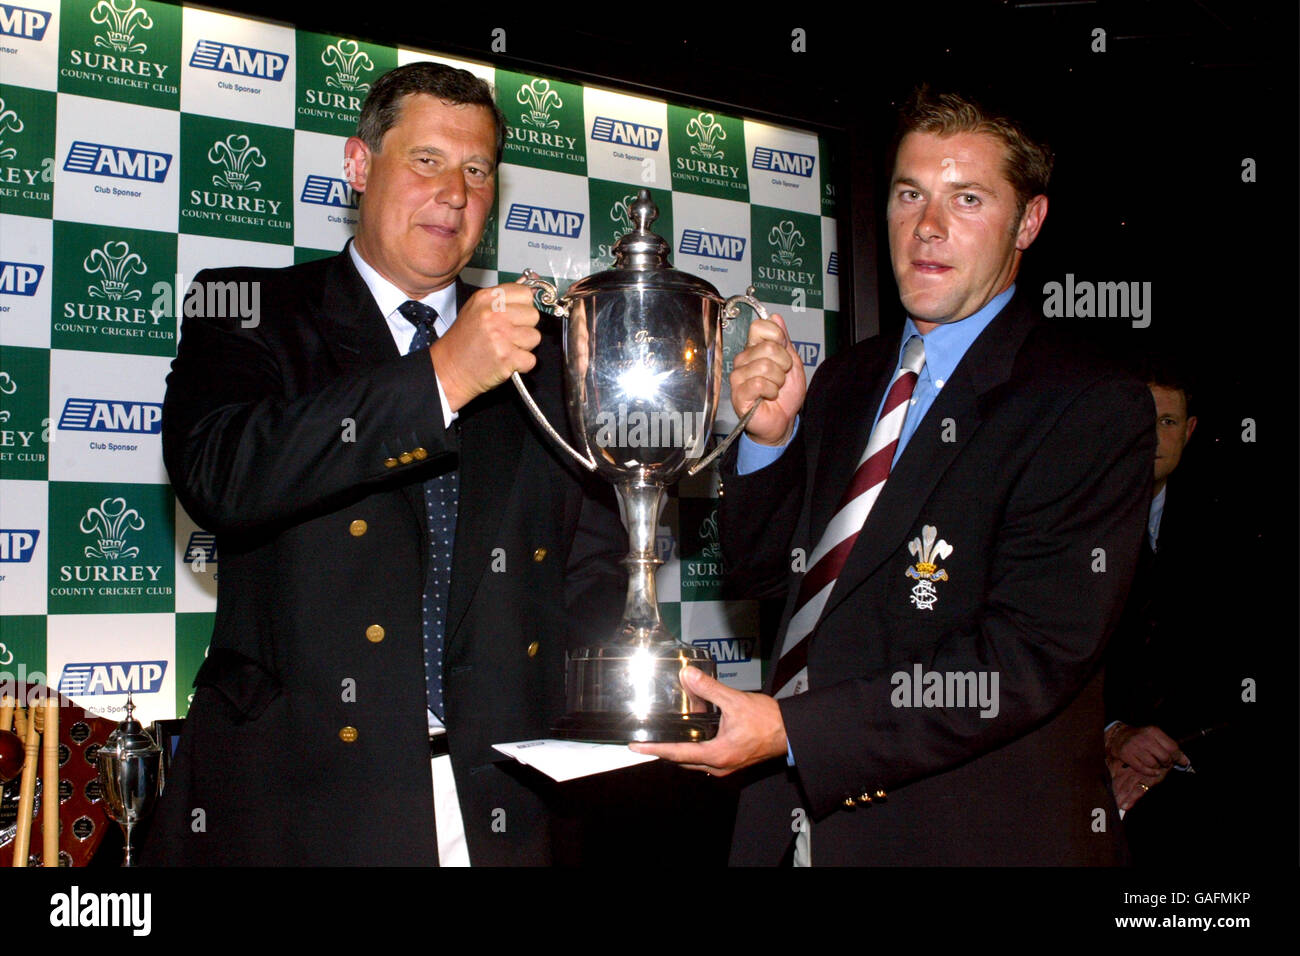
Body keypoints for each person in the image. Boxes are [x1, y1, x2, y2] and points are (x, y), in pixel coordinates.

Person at [633, 87, 1153, 865]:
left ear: (1030, 222)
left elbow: (1023, 661)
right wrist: (769, 445)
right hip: (787, 826)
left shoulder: (1086, 404)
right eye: (911, 194)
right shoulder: (847, 379)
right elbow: (763, 581)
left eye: (966, 199)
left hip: (964, 840)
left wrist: (793, 731)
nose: (928, 228)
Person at [146, 63, 626, 866]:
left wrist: (586, 724)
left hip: (502, 807)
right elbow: (220, 473)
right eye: (427, 160)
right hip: (296, 813)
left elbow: (594, 568)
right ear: (359, 166)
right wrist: (440, 378)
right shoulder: (244, 306)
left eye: (478, 171)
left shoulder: (546, 359)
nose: (454, 192)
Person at [1103, 365, 1252, 865]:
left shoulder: (1231, 536)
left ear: (1189, 432)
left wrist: (1165, 754)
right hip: (1080, 777)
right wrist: (1113, 735)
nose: (1153, 435)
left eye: (1168, 422)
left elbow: (1241, 670)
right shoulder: (1061, 526)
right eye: (1140, 419)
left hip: (1199, 786)